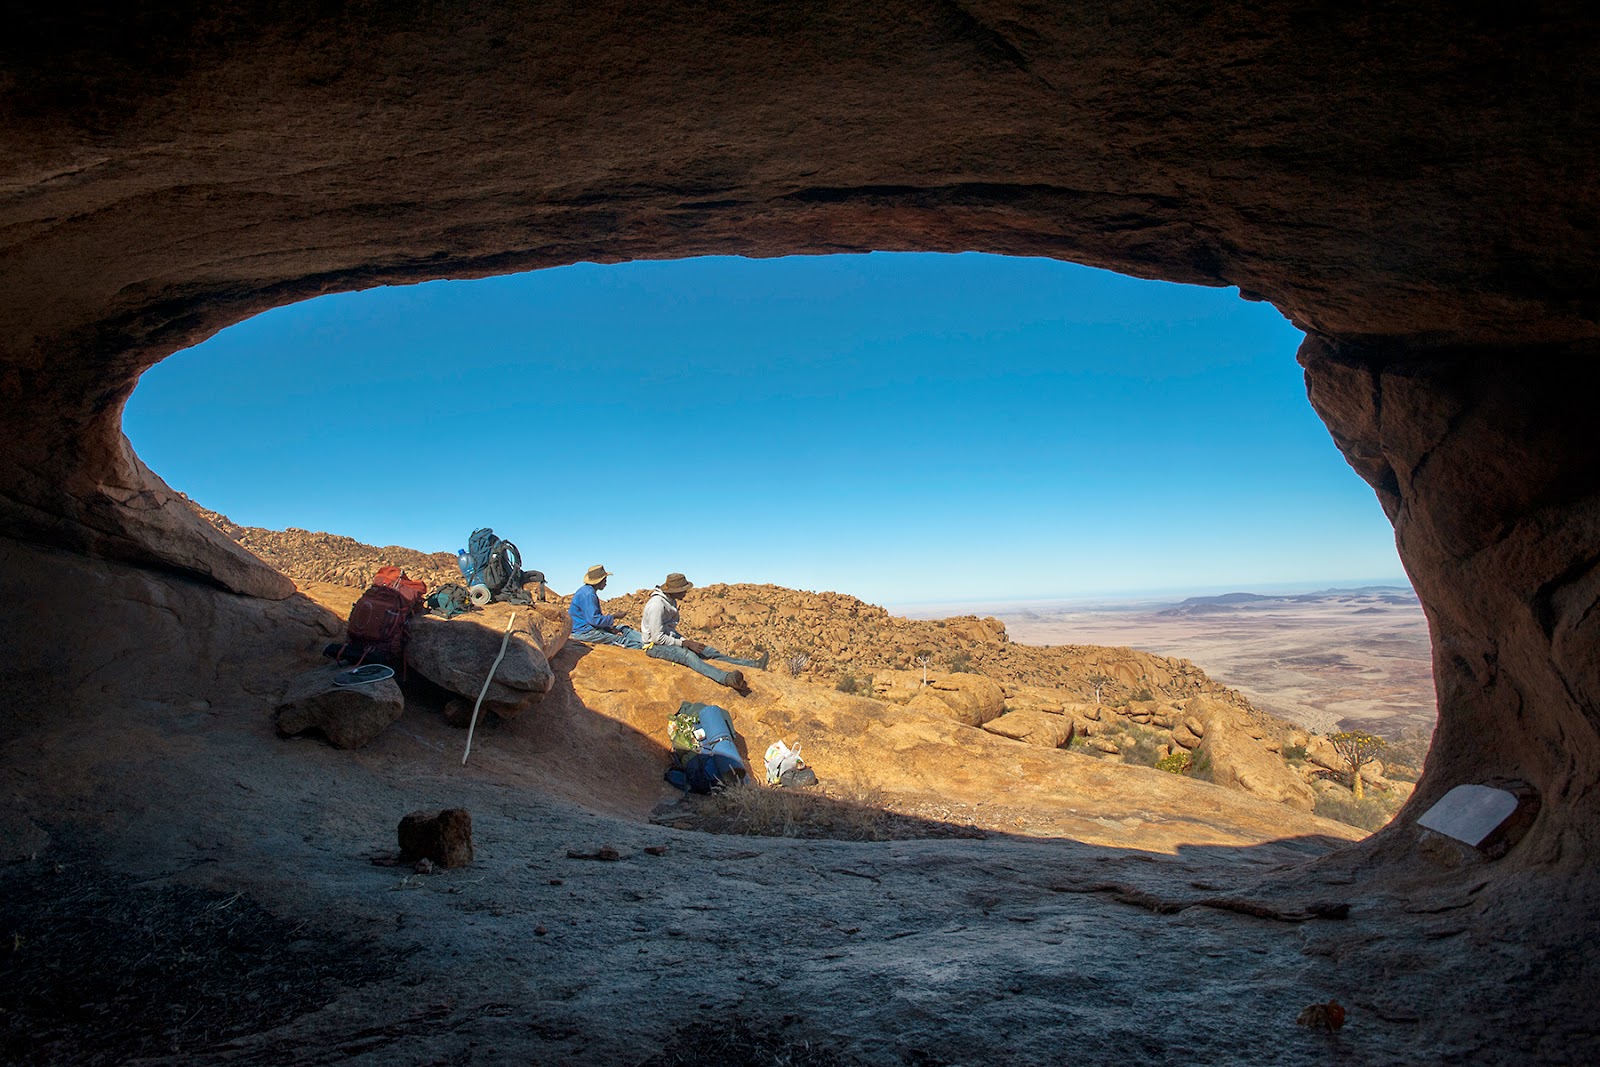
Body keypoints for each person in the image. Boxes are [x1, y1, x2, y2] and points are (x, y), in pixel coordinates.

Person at [641, 572, 767, 693]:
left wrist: (686, 642)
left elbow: (667, 630)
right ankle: (726, 679)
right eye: (683, 590)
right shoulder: (657, 605)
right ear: (675, 591)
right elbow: (657, 638)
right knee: (688, 656)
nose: (686, 592)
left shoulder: (670, 600)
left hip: (667, 639)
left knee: (706, 651)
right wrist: (684, 643)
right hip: (654, 646)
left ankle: (753, 664)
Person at [567, 565, 643, 648]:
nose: (606, 582)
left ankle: (647, 642)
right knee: (622, 641)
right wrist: (614, 616)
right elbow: (594, 620)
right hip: (584, 632)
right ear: (599, 581)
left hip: (586, 629)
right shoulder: (589, 595)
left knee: (623, 628)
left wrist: (607, 628)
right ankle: (645, 648)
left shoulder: (586, 591)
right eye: (605, 580)